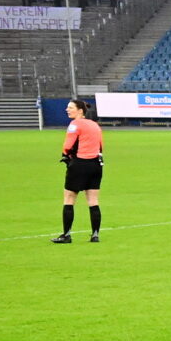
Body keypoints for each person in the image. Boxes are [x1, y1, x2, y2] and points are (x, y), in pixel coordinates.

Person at [55, 96, 102, 243]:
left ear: (80, 111)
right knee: (93, 200)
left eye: (70, 107)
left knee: (69, 198)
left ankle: (66, 235)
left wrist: (65, 155)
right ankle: (95, 235)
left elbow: (68, 145)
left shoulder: (75, 124)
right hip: (96, 164)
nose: (67, 110)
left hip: (80, 164)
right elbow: (101, 145)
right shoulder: (95, 125)